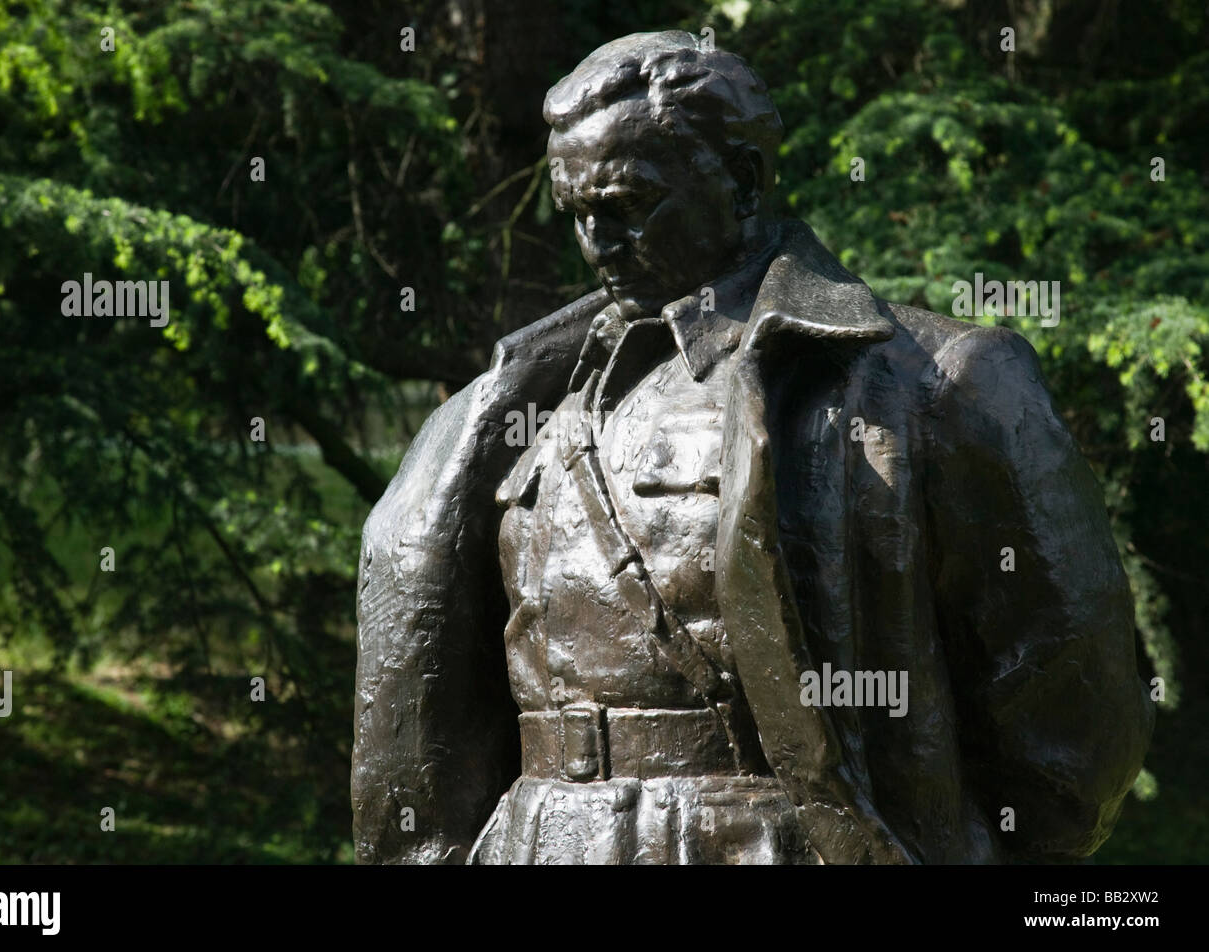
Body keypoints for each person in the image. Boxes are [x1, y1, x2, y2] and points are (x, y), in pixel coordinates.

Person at [351, 31, 1154, 864]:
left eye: (627, 205)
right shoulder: (515, 401)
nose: (597, 243)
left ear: (741, 178)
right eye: (578, 213)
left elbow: (1074, 723)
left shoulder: (932, 383)